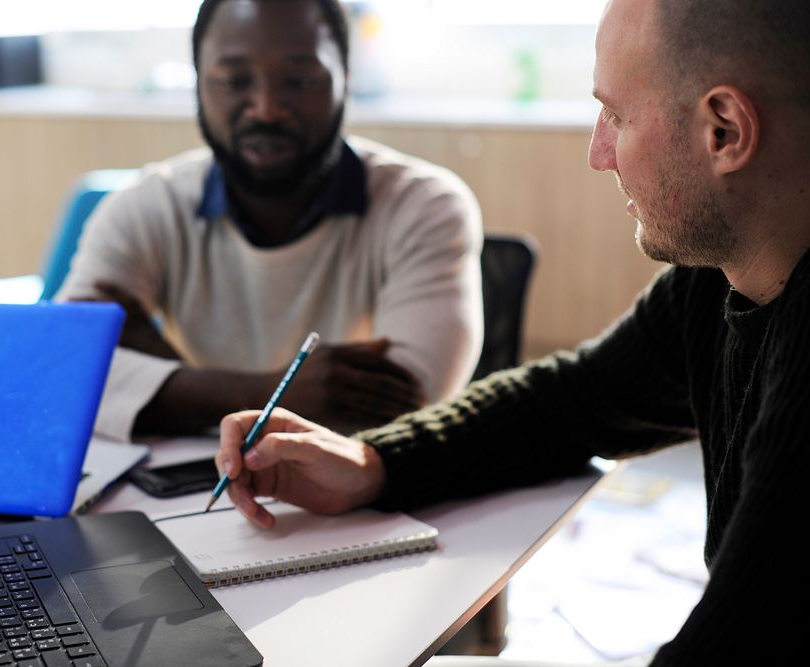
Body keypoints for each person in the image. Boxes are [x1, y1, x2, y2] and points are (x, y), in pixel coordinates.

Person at [214, 0, 810, 663]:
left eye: (615, 114)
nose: (598, 153)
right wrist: (372, 463)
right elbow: (574, 401)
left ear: (725, 131)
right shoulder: (720, 276)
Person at [58, 0, 483, 441]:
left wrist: (166, 371)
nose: (265, 108)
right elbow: (59, 372)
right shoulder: (146, 208)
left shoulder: (423, 206)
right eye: (233, 80)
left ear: (347, 80)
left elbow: (405, 409)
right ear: (198, 84)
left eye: (298, 80)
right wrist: (275, 392)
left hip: (368, 503)